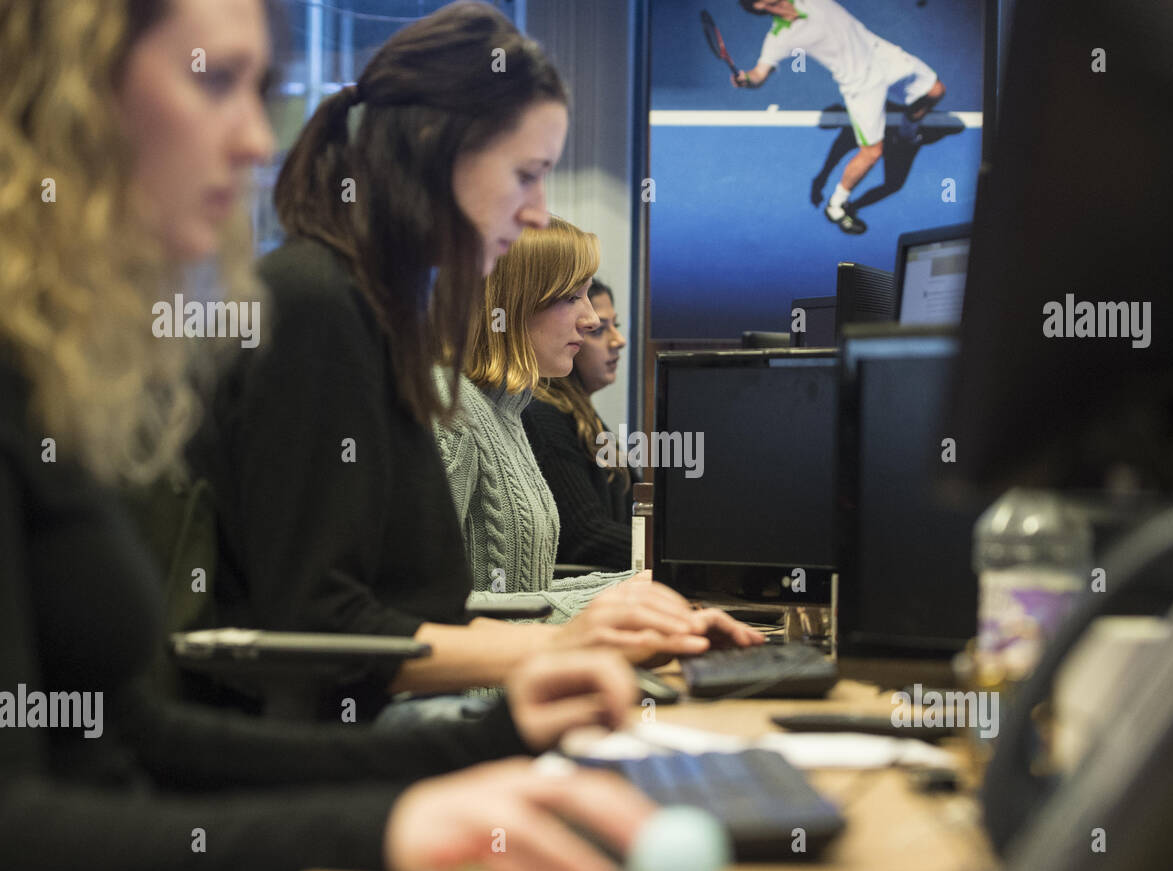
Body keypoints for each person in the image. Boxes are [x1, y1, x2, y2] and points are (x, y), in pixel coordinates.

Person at [0, 0, 666, 871]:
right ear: (70, 95)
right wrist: (390, 821)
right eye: (213, 80)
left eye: (261, 88)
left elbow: (134, 737)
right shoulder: (312, 304)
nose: (250, 138)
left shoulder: (64, 368)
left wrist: (489, 738)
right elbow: (318, 620)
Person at [189, 2, 762, 704]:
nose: (537, 211)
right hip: (330, 765)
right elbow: (320, 630)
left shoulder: (376, 317)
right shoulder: (316, 302)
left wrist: (610, 620)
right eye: (527, 173)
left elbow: (419, 608)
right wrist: (561, 645)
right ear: (437, 149)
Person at [435, 220, 638, 619]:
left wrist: (635, 588)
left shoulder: (508, 411)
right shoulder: (451, 409)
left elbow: (527, 591)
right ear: (514, 303)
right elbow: (427, 608)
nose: (591, 318)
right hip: (484, 679)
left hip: (521, 669)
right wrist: (609, 604)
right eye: (571, 297)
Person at [733, 0, 946, 235]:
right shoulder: (780, 37)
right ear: (760, 5)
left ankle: (906, 132)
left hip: (882, 55)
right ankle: (836, 204)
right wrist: (747, 80)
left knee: (935, 91)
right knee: (872, 152)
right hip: (860, 85)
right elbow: (760, 73)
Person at [524, 277, 637, 571]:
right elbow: (585, 536)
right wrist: (672, 557)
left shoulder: (587, 420)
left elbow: (638, 504)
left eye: (616, 326)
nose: (619, 341)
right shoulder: (542, 415)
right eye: (599, 330)